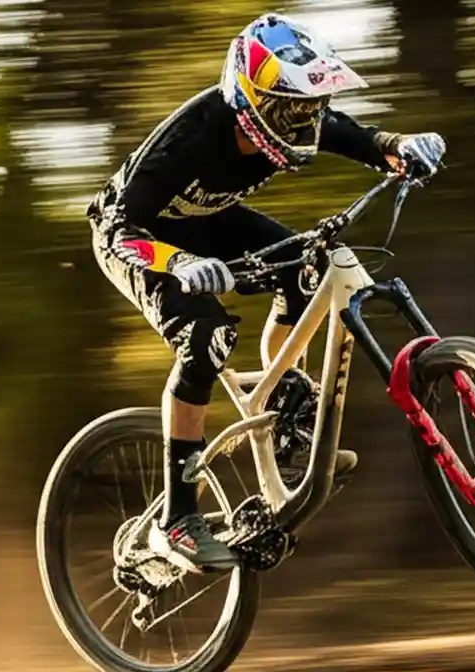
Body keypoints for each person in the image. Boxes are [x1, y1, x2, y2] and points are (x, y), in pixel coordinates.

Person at [86, 12, 447, 572]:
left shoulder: (293, 114)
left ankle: (278, 406)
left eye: (309, 108)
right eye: (291, 110)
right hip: (140, 237)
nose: (304, 122)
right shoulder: (190, 138)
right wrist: (180, 263)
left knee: (309, 266)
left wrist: (402, 146)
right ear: (248, 102)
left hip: (208, 221)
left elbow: (359, 137)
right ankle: (176, 522)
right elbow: (118, 229)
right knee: (206, 333)